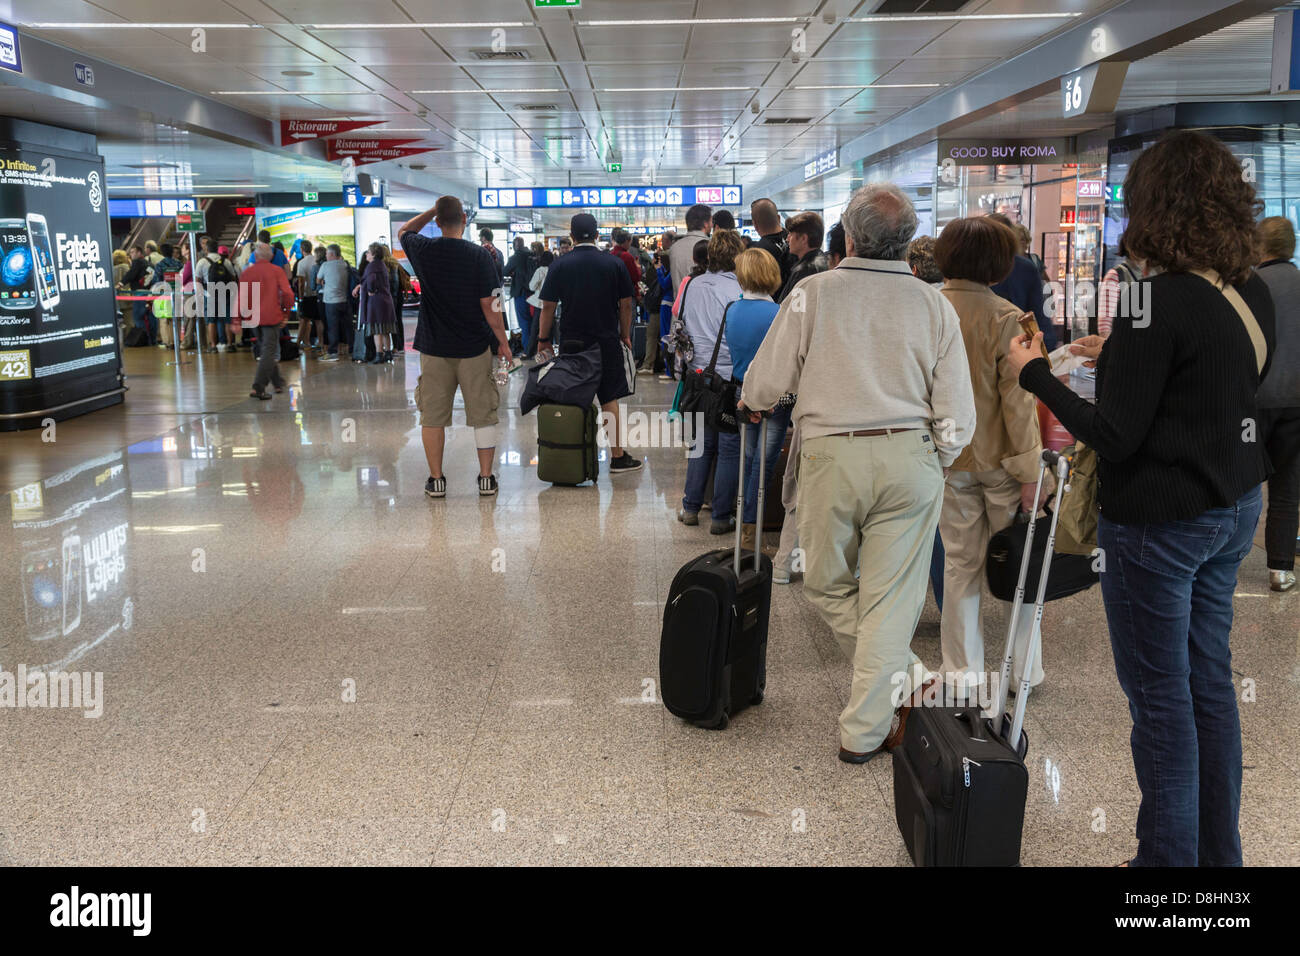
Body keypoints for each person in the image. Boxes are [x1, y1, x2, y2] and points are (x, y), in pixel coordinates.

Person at [1006, 130, 1275, 867]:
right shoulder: (1243, 290)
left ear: (1153, 205)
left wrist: (1035, 372)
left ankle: (1165, 867)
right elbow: (1210, 385)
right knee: (1207, 685)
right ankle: (1218, 859)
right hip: (1233, 505)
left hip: (1160, 517)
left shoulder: (1152, 297)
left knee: (1159, 699)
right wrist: (1120, 354)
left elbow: (1115, 435)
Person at [739, 182, 976, 764]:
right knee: (891, 602)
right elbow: (959, 415)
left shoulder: (814, 293)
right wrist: (935, 458)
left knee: (822, 583)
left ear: (847, 236)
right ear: (907, 243)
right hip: (911, 456)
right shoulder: (933, 304)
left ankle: (864, 729)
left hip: (830, 455)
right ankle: (912, 678)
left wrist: (756, 396)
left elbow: (764, 383)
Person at [931, 216, 1047, 700]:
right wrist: (1030, 471)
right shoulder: (1011, 318)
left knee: (960, 564)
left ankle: (962, 674)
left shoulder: (927, 310)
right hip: (1001, 461)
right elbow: (1019, 403)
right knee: (1016, 565)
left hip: (944, 460)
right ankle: (1024, 672)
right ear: (1001, 264)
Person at [399, 197, 511, 497]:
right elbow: (491, 304)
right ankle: (486, 477)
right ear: (464, 218)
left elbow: (405, 231)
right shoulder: (479, 255)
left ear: (437, 221)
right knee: (483, 412)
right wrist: (503, 342)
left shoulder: (424, 250)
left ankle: (436, 480)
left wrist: (432, 210)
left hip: (434, 348)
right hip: (474, 347)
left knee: (432, 415)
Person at [536, 212, 643, 475]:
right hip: (606, 338)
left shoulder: (560, 265)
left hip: (572, 341)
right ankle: (617, 457)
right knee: (609, 397)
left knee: (573, 395)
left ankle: (574, 454)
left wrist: (543, 340)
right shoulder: (613, 263)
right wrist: (625, 334)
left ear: (571, 236)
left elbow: (548, 306)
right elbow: (626, 303)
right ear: (597, 235)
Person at [678, 229, 745, 532]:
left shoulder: (692, 284)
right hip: (728, 378)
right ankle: (720, 516)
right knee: (729, 447)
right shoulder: (738, 290)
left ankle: (690, 508)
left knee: (699, 445)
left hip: (697, 375)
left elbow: (679, 326)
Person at [725, 247, 789, 551]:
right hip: (774, 397)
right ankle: (751, 529)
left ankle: (745, 525)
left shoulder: (732, 310)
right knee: (764, 464)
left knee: (749, 458)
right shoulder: (778, 314)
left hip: (742, 393)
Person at [1255, 216, 1300, 593]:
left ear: (1259, 247)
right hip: (1297, 400)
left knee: (1244, 483)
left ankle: (1227, 558)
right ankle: (1280, 569)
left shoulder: (1248, 286)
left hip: (1253, 401)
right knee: (1287, 487)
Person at [987, 212, 1056, 351]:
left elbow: (1038, 314)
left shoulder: (1025, 267)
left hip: (1016, 345)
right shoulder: (1023, 267)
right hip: (1010, 344)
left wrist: (1044, 343)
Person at [241, 242, 295, 400]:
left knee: (266, 349)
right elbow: (288, 294)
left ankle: (277, 382)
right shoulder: (276, 271)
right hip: (271, 316)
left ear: (255, 256)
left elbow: (241, 297)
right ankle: (258, 387)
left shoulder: (247, 272)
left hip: (253, 317)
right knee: (268, 351)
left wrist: (237, 319)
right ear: (271, 256)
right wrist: (286, 312)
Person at [196, 242, 241, 353]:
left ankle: (213, 346)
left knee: (212, 320)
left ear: (207, 250)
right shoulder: (226, 262)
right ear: (217, 249)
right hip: (225, 292)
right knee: (227, 320)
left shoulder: (202, 262)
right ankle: (230, 344)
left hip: (210, 292)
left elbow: (197, 280)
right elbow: (233, 278)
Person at [777, 211, 827, 303]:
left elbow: (795, 309)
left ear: (803, 239)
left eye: (791, 234)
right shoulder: (823, 261)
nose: (787, 239)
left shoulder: (804, 270)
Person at [360, 242, 398, 364]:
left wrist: (371, 290)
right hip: (386, 300)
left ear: (374, 254)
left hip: (376, 301)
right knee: (386, 329)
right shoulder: (382, 265)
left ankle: (379, 354)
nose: (366, 254)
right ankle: (388, 353)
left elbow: (371, 280)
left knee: (377, 329)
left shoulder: (372, 266)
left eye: (368, 252)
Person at [314, 244, 350, 362]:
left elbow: (318, 280)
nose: (325, 256)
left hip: (330, 301)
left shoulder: (325, 265)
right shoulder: (345, 264)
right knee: (346, 326)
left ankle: (333, 352)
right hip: (344, 300)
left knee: (332, 327)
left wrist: (325, 281)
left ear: (332, 254)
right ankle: (350, 348)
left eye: (327, 254)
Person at [668, 203, 712, 295]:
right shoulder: (711, 246)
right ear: (705, 224)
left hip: (680, 306)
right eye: (711, 221)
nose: (712, 225)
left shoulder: (674, 248)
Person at [751, 197, 793, 289]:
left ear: (755, 224)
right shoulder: (795, 240)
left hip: (772, 301)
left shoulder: (758, 253)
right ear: (778, 218)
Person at [504, 236, 536, 355]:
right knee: (533, 321)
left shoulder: (515, 257)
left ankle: (528, 350)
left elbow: (505, 272)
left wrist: (513, 272)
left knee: (524, 321)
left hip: (521, 292)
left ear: (515, 246)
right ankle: (534, 347)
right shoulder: (532, 254)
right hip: (533, 293)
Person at [121, 245, 153, 342]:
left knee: (138, 317)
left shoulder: (137, 262)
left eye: (133, 252)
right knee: (150, 317)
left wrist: (120, 283)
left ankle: (142, 339)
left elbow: (131, 274)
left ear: (139, 253)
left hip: (139, 293)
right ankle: (152, 339)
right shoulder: (148, 263)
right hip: (149, 292)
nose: (131, 254)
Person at [294, 239, 320, 351]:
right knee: (318, 321)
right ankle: (321, 343)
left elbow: (301, 283)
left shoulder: (302, 263)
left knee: (304, 320)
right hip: (317, 295)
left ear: (301, 249)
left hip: (307, 295)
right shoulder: (317, 260)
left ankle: (298, 343)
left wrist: (300, 297)